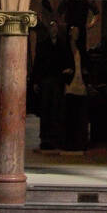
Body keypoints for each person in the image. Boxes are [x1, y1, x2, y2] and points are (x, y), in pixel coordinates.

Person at [32, 20, 69, 150]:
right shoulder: (43, 45)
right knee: (46, 109)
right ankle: (45, 138)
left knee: (57, 109)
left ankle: (56, 137)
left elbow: (65, 62)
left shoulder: (62, 45)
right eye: (52, 28)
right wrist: (35, 81)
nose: (53, 30)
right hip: (46, 80)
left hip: (58, 80)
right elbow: (37, 63)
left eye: (55, 28)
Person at [62, 24, 89, 151]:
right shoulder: (65, 47)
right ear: (70, 33)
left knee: (80, 114)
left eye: (78, 31)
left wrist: (85, 72)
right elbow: (61, 63)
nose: (76, 34)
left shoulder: (81, 47)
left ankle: (80, 141)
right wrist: (65, 71)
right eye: (74, 31)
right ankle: (69, 141)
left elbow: (85, 62)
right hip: (70, 82)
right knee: (70, 113)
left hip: (80, 81)